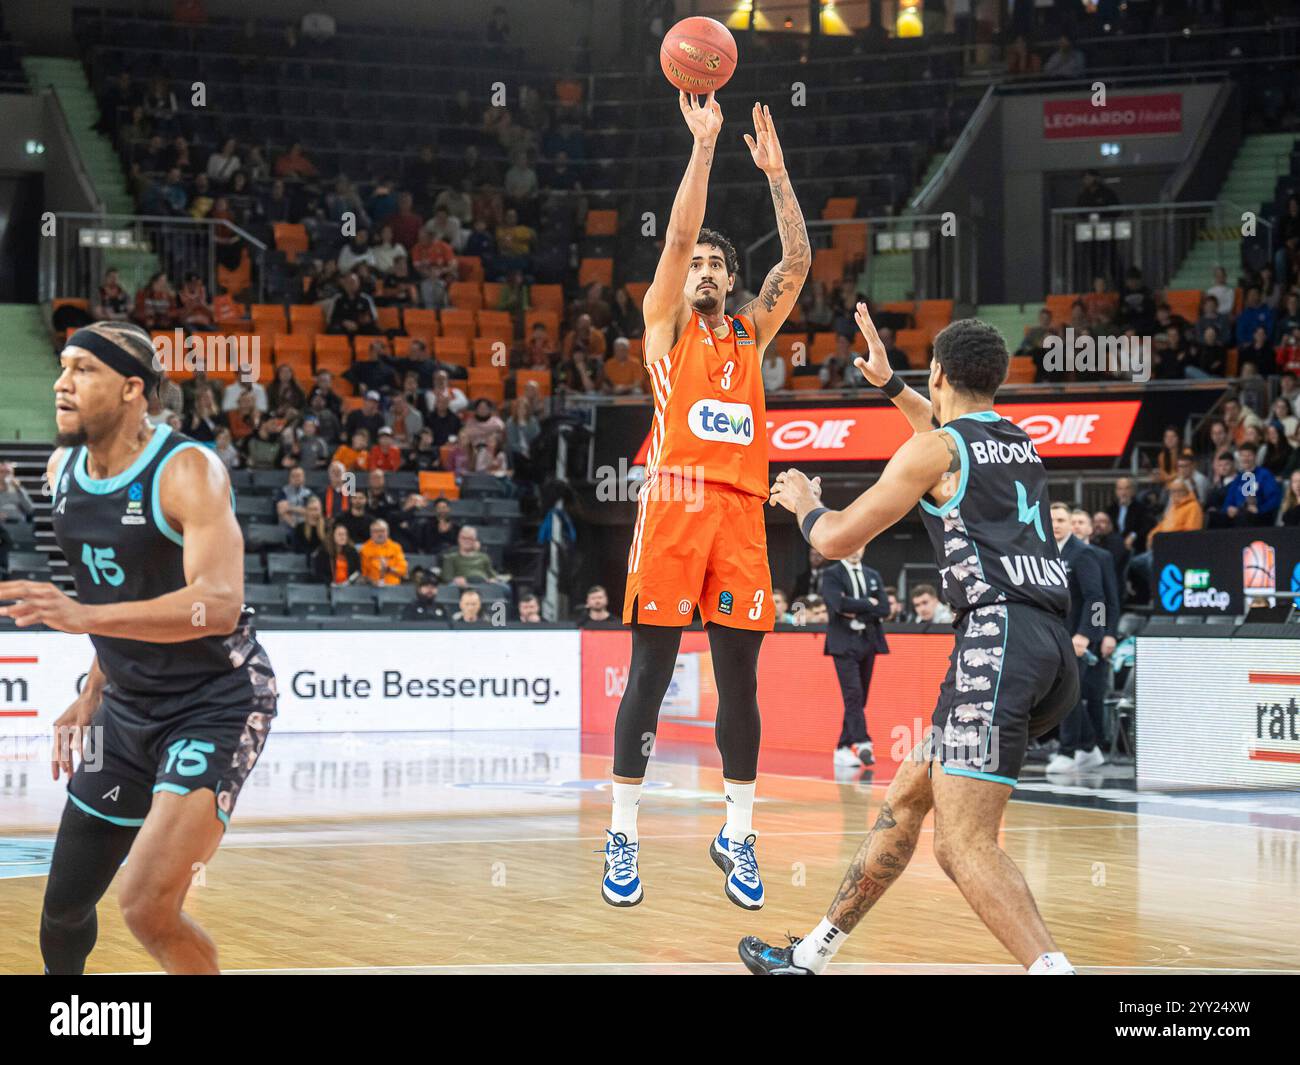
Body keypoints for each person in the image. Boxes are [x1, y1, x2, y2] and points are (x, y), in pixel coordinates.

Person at [741, 308, 1078, 976]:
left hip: (997, 640)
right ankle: (811, 955)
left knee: (962, 845)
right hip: (1048, 647)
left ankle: (1053, 971)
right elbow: (940, 427)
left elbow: (838, 540)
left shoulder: (936, 449)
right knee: (905, 799)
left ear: (941, 372)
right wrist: (893, 384)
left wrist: (806, 502)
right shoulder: (1015, 440)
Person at [1, 321, 276, 975]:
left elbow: (218, 604)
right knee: (63, 911)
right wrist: (91, 692)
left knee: (147, 906)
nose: (62, 382)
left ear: (131, 389)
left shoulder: (187, 470)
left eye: (83, 369)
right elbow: (123, 587)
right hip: (124, 708)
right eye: (62, 366)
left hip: (214, 702)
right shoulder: (60, 468)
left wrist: (84, 615)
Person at [605, 96, 810, 912]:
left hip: (740, 515)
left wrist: (778, 175)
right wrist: (705, 146)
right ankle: (623, 829)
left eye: (719, 268)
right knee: (650, 677)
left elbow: (794, 264)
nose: (707, 273)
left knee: (741, 684)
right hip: (676, 504)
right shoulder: (666, 326)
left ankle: (740, 831)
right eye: (699, 266)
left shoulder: (749, 335)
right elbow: (680, 235)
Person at [1044, 503, 1108, 775]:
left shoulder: (1082, 554)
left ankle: (1068, 751)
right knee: (1060, 692)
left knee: (1067, 694)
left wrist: (1087, 635)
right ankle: (1089, 748)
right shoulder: (1043, 552)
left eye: (1060, 520)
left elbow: (1097, 598)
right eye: (1051, 520)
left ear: (1072, 524)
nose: (1056, 524)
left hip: (1076, 637)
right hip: (1052, 635)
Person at [821, 547, 890, 769]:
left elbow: (885, 608)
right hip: (843, 643)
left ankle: (842, 747)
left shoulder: (873, 575)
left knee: (860, 698)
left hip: (868, 641)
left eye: (860, 545)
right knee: (853, 694)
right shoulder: (832, 574)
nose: (855, 550)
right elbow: (838, 604)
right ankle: (862, 742)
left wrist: (857, 607)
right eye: (851, 544)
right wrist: (869, 603)